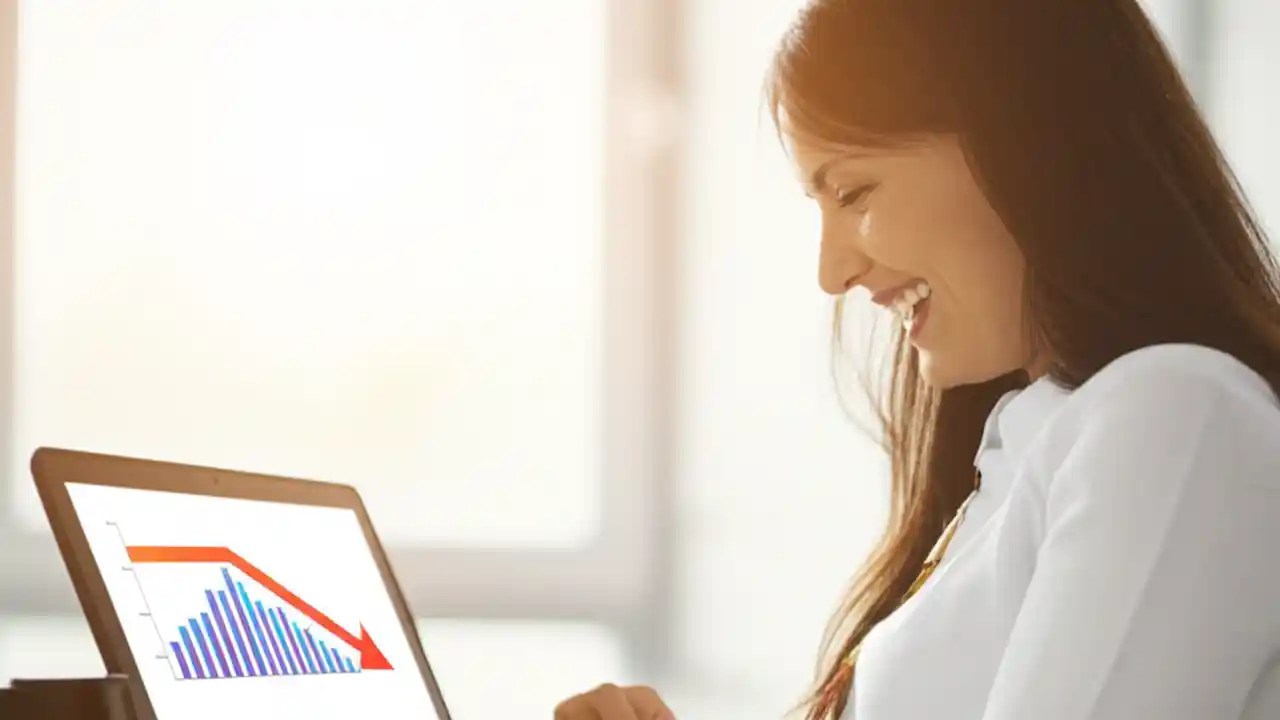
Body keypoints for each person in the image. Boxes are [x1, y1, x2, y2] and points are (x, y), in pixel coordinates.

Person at [554, 0, 1280, 718]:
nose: (832, 272)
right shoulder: (1033, 452)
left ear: (1025, 136)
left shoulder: (1173, 415)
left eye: (854, 191)